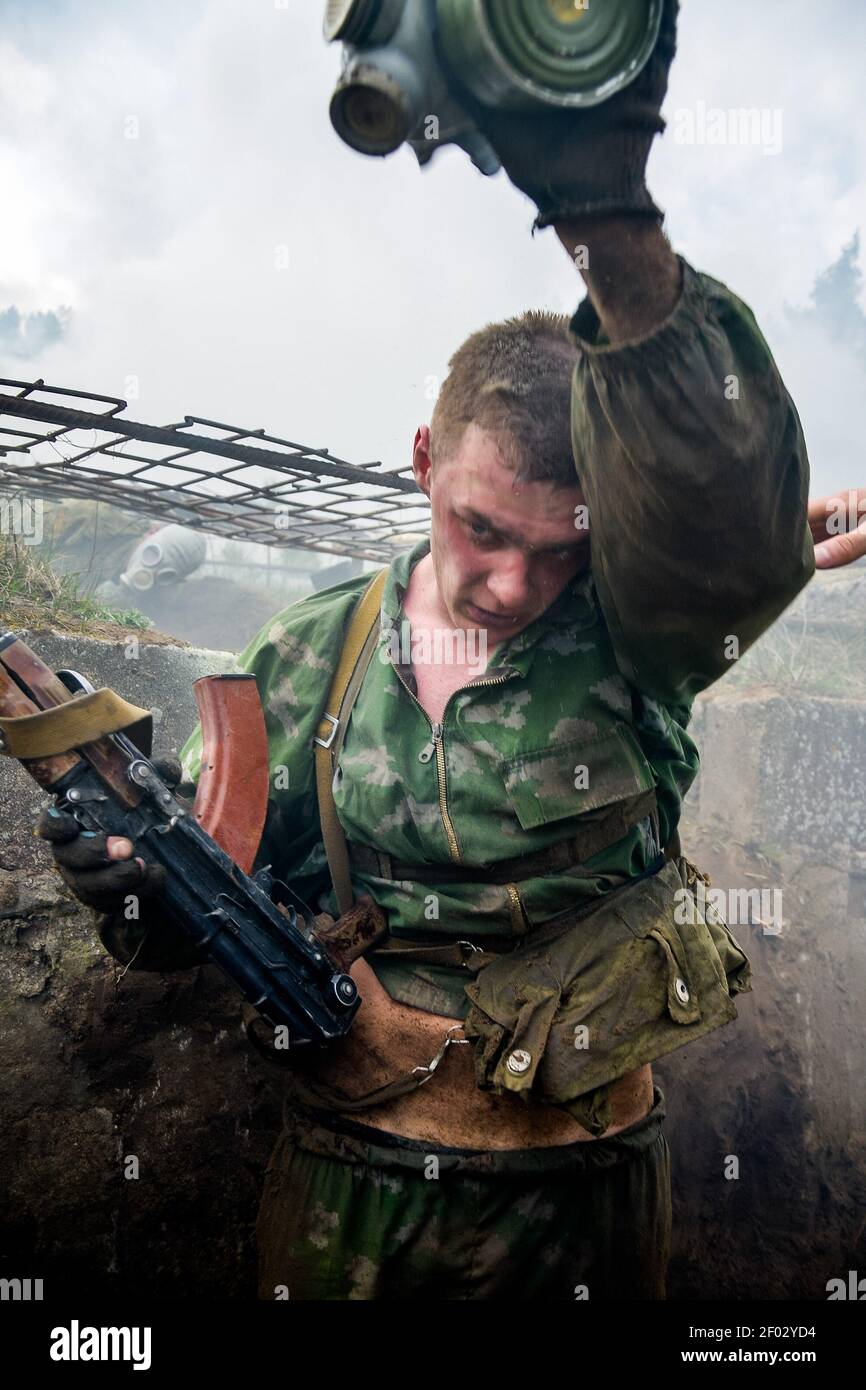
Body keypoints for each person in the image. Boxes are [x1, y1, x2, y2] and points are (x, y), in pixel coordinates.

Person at [37, 0, 845, 1300]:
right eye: (480, 529)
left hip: (578, 1190)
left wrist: (607, 215)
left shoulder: (634, 635)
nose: (514, 581)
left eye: (558, 547)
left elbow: (725, 500)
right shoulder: (312, 655)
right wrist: (120, 878)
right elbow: (185, 925)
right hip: (352, 1183)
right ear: (423, 464)